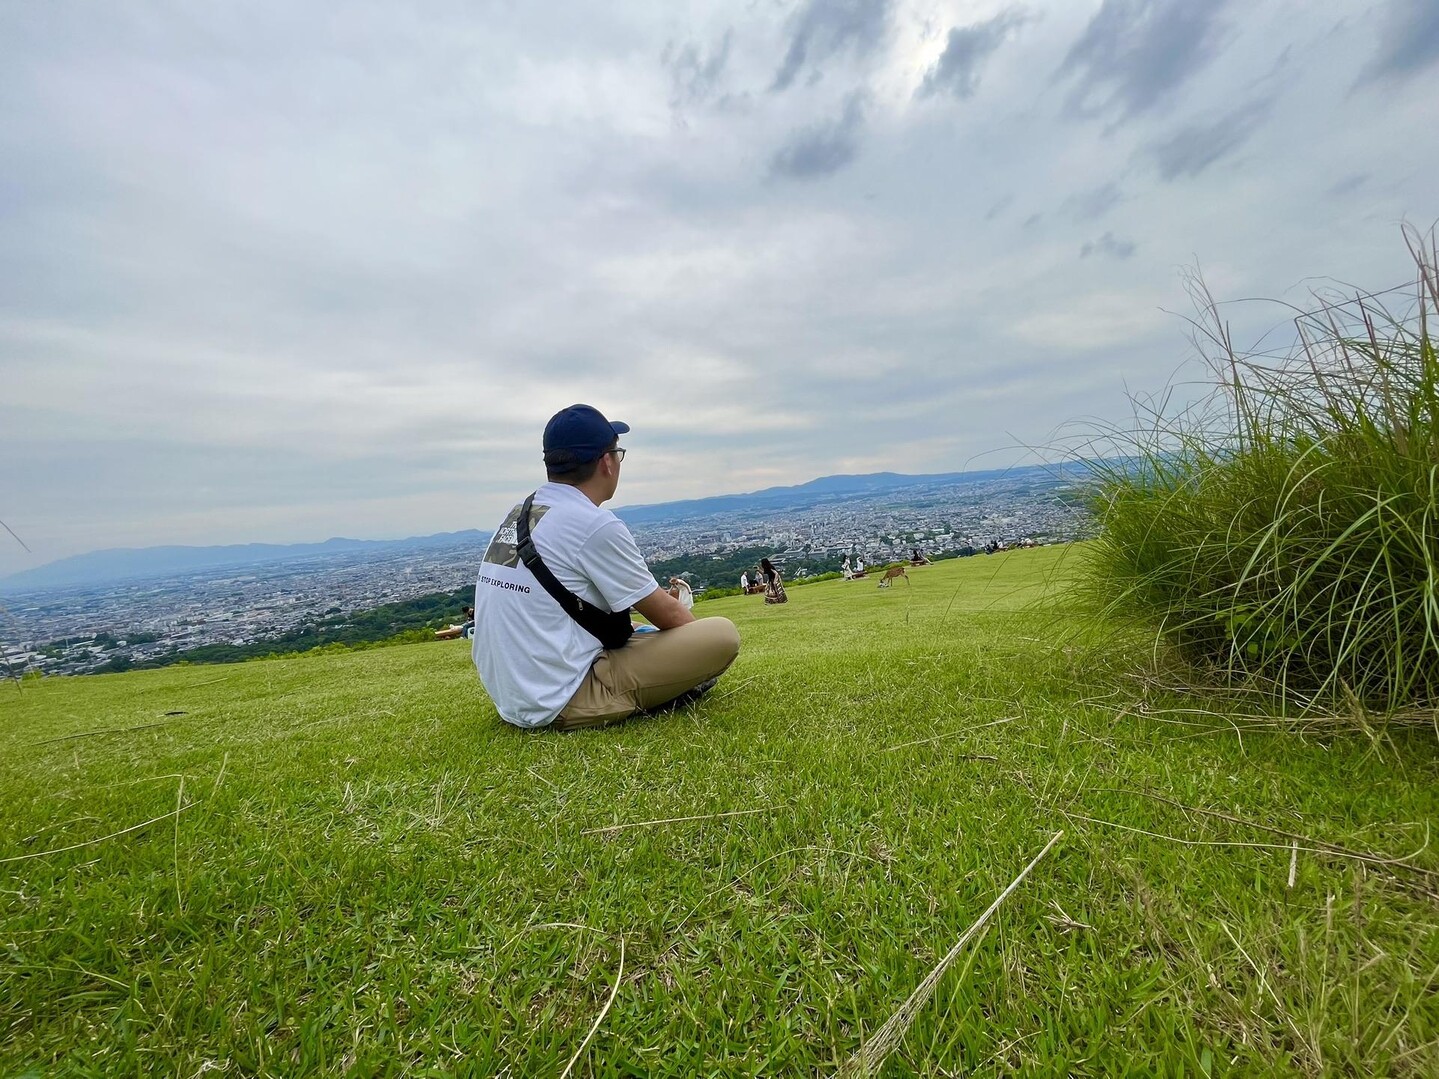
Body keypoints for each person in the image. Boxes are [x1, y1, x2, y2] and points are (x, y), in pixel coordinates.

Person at [471, 404, 741, 730]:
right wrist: (689, 653)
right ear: (606, 463)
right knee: (721, 635)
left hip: (514, 695)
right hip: (562, 697)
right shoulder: (592, 524)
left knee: (636, 623)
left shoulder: (522, 510)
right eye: (618, 452)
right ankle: (667, 689)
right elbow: (672, 617)